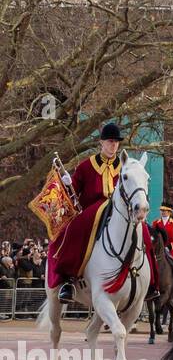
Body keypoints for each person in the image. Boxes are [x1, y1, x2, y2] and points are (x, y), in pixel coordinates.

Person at [47, 121, 125, 302]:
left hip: (118, 209)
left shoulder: (124, 166)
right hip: (92, 209)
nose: (113, 145)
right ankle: (67, 279)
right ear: (101, 143)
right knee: (73, 230)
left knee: (145, 232)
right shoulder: (85, 166)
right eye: (110, 141)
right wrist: (67, 183)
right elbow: (73, 191)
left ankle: (151, 281)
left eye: (116, 142)